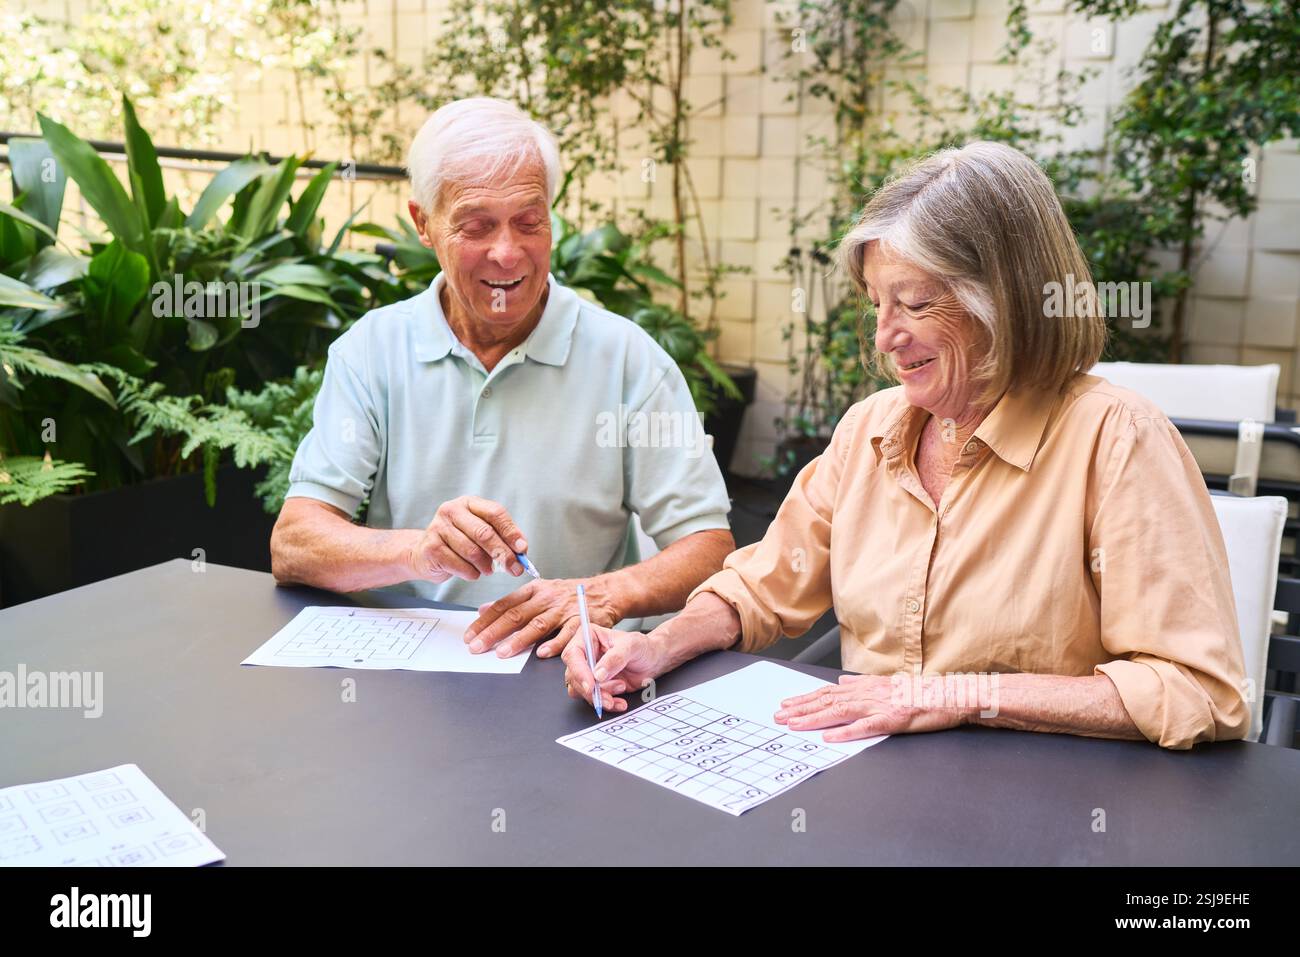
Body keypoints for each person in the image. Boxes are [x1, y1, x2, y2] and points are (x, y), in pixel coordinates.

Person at [563, 141, 1249, 750]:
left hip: (1050, 804)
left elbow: (1199, 692)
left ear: (1003, 304)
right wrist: (653, 647)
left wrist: (952, 694)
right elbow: (761, 585)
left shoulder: (1117, 439)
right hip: (873, 788)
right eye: (875, 304)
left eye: (915, 304)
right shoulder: (870, 429)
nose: (885, 336)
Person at [271, 97, 734, 659]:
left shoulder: (630, 360)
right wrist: (419, 552)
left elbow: (710, 548)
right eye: (476, 226)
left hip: (573, 667)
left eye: (529, 222)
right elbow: (295, 543)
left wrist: (598, 596)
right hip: (410, 667)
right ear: (424, 224)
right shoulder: (371, 351)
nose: (508, 254)